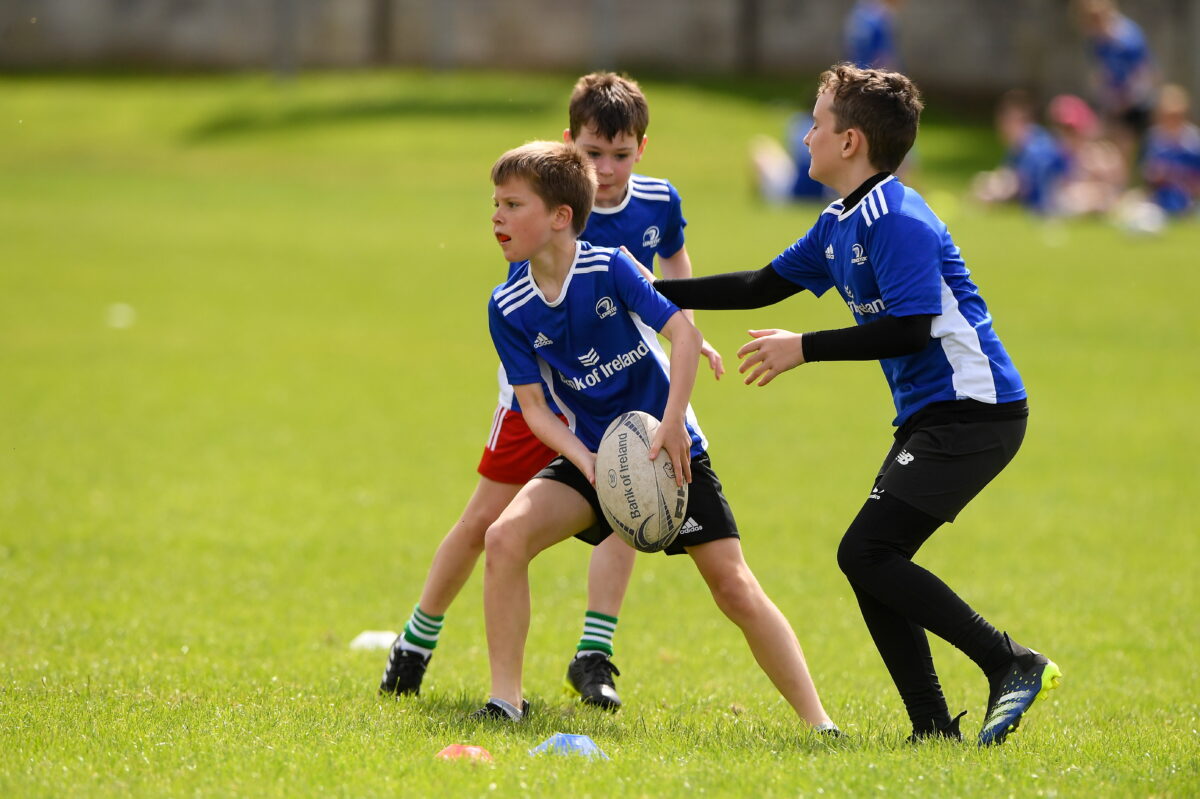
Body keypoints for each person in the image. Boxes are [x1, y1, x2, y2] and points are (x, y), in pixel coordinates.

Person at [645, 64, 1061, 746]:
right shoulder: (840, 221)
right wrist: (651, 291)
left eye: (816, 123)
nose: (805, 135)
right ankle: (932, 726)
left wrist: (802, 347)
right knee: (871, 554)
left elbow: (911, 327)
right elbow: (757, 285)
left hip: (975, 411)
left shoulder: (897, 218)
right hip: (941, 414)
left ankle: (1010, 661)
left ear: (851, 143)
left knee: (867, 551)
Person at [378, 72, 722, 711]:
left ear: (642, 150)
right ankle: (417, 639)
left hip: (614, 386)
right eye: (592, 154)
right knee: (486, 522)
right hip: (540, 390)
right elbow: (534, 300)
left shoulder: (657, 201)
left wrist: (687, 334)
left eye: (620, 155)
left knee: (629, 493)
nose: (606, 168)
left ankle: (593, 656)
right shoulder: (547, 204)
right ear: (570, 149)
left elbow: (674, 273)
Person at [473, 139, 837, 735]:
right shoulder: (507, 305)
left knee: (734, 587)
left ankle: (821, 724)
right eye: (496, 204)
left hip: (669, 447)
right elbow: (534, 409)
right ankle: (506, 701)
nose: (496, 216)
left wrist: (672, 425)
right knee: (504, 538)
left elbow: (684, 337)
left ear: (560, 217)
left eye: (513, 205)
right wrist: (584, 459)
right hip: (593, 453)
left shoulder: (610, 266)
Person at [1075, 0, 1158, 164]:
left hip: (1136, 102)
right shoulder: (1097, 40)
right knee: (1105, 145)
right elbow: (1102, 70)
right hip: (1113, 101)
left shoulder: (1128, 38)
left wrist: (1126, 101)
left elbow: (1145, 73)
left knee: (1129, 149)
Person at [971, 89, 1070, 215]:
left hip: (1052, 199)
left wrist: (996, 193)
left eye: (1006, 120)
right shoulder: (1022, 145)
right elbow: (1008, 172)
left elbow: (1024, 183)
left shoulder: (1036, 147)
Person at [844, 0, 904, 70]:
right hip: (874, 74)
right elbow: (883, 57)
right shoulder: (880, 18)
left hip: (856, 72)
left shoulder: (859, 12)